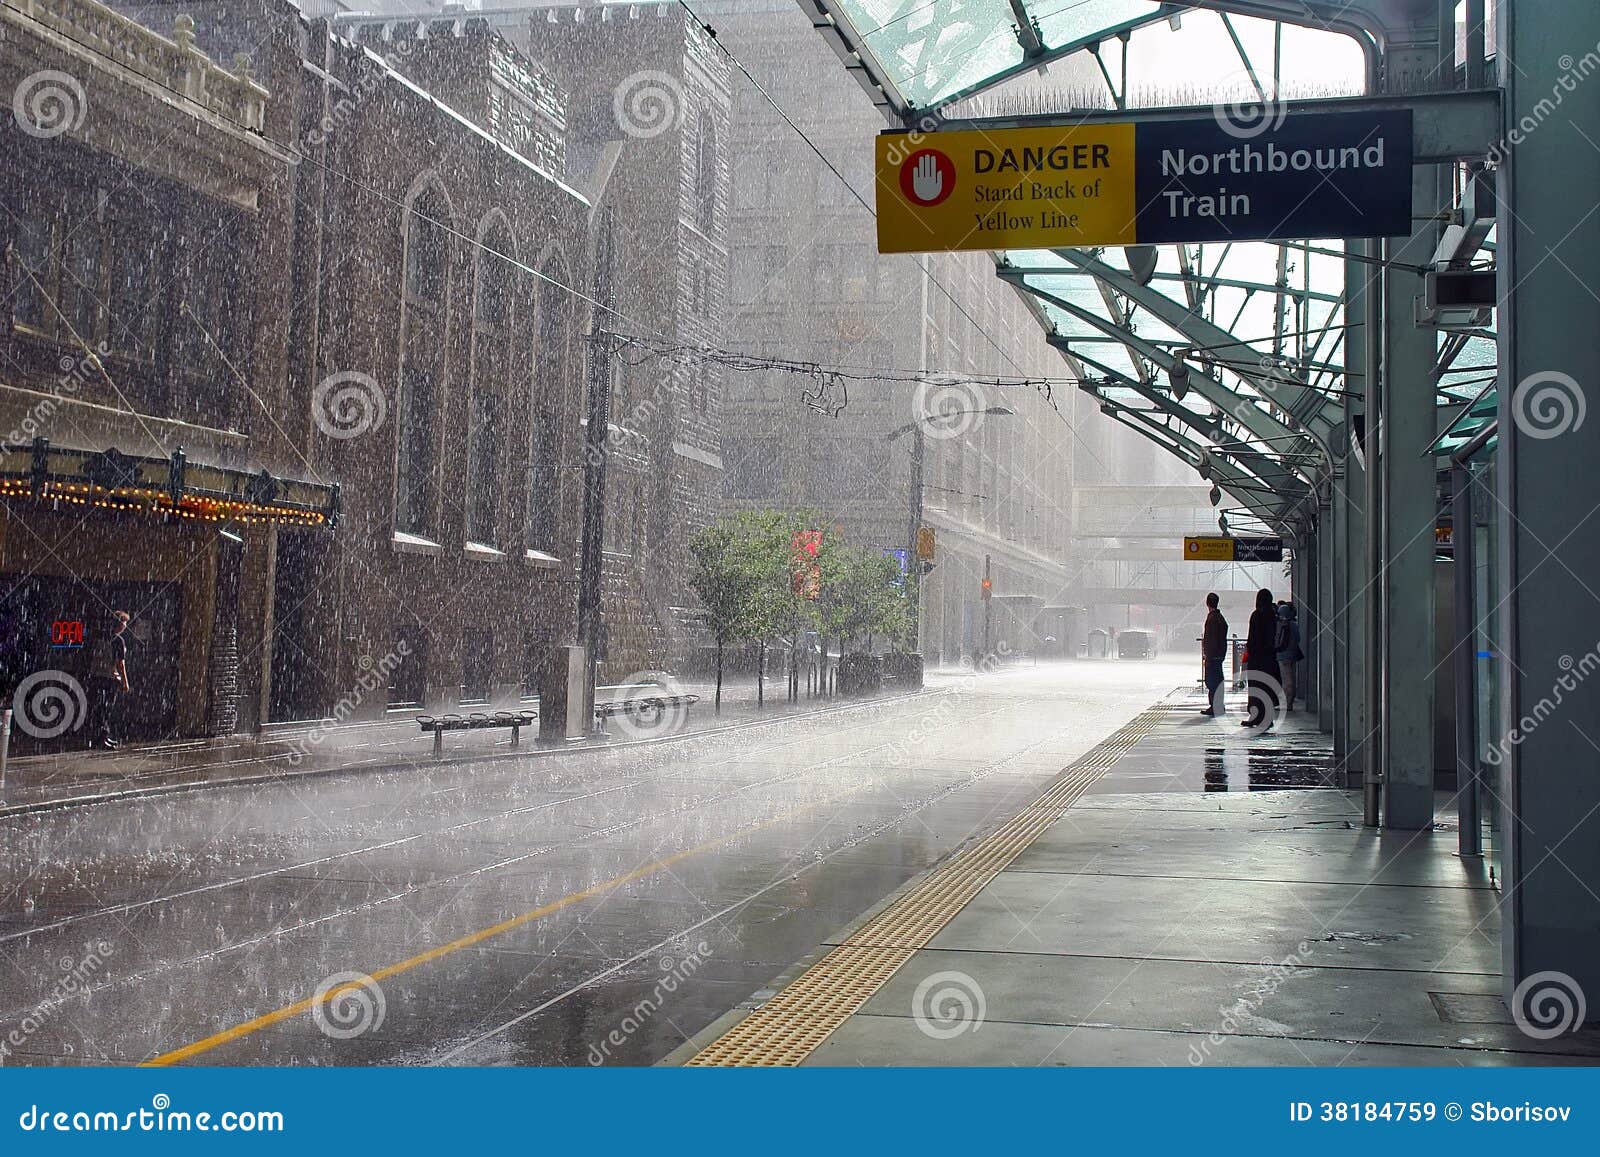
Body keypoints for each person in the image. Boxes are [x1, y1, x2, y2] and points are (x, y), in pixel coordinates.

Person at [87, 610, 131, 750]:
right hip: (109, 678)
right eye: (124, 622)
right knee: (106, 709)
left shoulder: (100, 636)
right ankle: (102, 738)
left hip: (96, 676)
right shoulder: (118, 640)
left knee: (98, 708)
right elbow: (120, 664)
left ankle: (99, 737)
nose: (125, 625)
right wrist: (125, 681)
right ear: (120, 624)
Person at [1243, 588, 1281, 731]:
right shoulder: (1273, 615)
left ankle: (1256, 717)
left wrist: (1250, 651)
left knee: (1255, 687)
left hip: (1257, 658)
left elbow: (1252, 638)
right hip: (1269, 658)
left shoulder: (1257, 615)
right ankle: (1267, 718)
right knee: (1267, 687)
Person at [1200, 592, 1228, 716]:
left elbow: (1210, 639)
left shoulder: (1211, 619)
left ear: (1207, 603)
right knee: (1218, 681)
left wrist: (1208, 656)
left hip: (1213, 656)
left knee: (1212, 682)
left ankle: (1215, 706)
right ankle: (1219, 705)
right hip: (1220, 655)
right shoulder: (1220, 618)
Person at [1275, 601, 1305, 714]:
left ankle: (1287, 704)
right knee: (1291, 679)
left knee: (1286, 681)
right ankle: (1290, 701)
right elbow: (1298, 639)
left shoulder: (1281, 624)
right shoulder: (1294, 625)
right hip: (1292, 655)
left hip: (1282, 656)